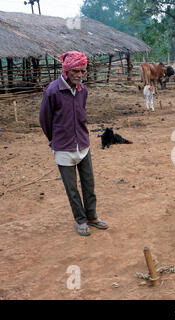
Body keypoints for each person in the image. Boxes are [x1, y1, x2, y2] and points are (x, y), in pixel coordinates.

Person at [39, 51, 108, 236]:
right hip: (62, 147)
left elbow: (82, 111)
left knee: (88, 184)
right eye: (76, 71)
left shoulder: (82, 90)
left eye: (83, 71)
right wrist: (54, 139)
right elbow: (44, 119)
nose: (79, 75)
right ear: (67, 70)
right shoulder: (53, 91)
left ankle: (92, 216)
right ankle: (81, 220)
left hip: (83, 144)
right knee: (71, 189)